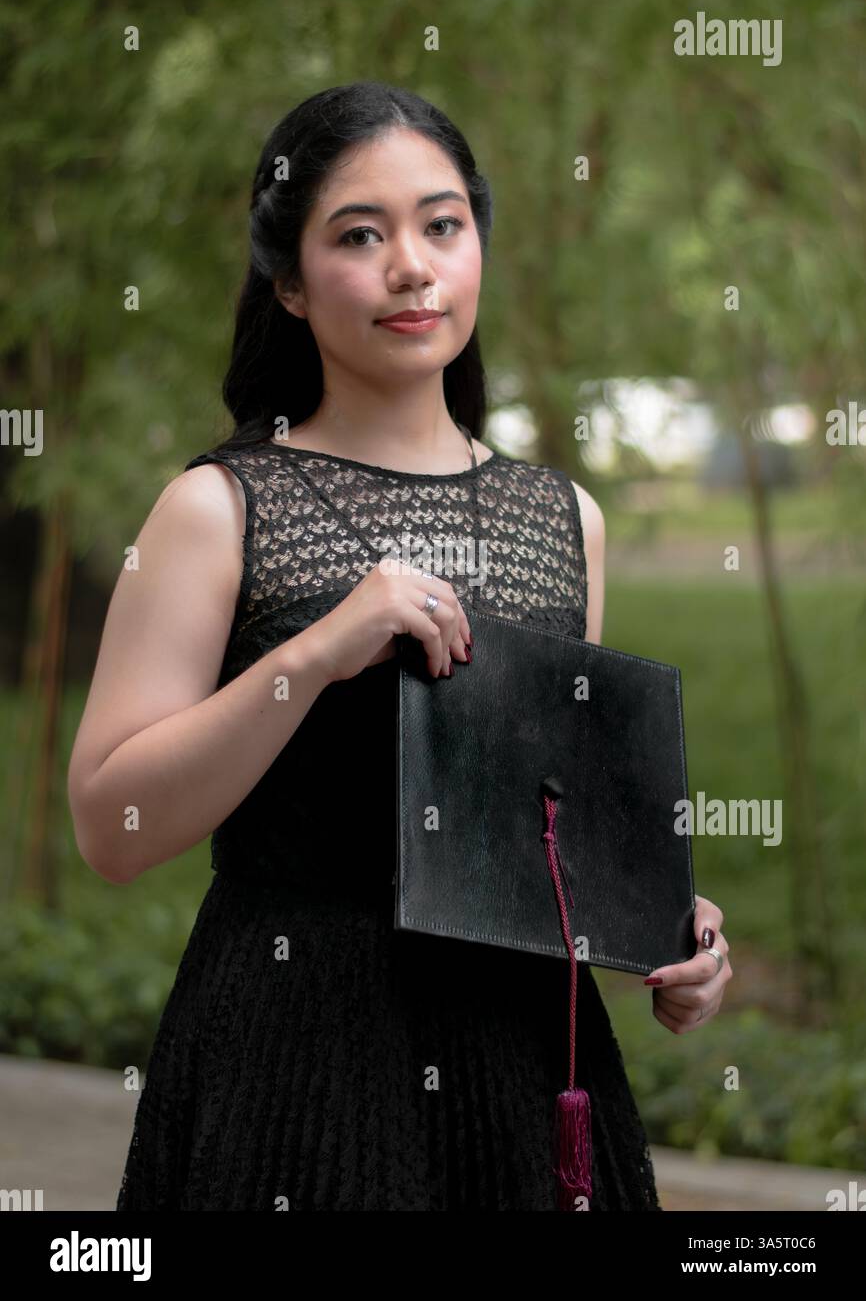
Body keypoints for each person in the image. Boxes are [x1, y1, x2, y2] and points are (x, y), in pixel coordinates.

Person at [68, 81, 732, 1211]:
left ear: (477, 247)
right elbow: (111, 827)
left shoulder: (562, 518)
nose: (411, 267)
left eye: (441, 224)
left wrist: (668, 926)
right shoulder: (217, 508)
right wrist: (315, 653)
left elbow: (549, 823)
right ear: (287, 281)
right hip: (292, 1052)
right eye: (359, 235)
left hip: (521, 1068)